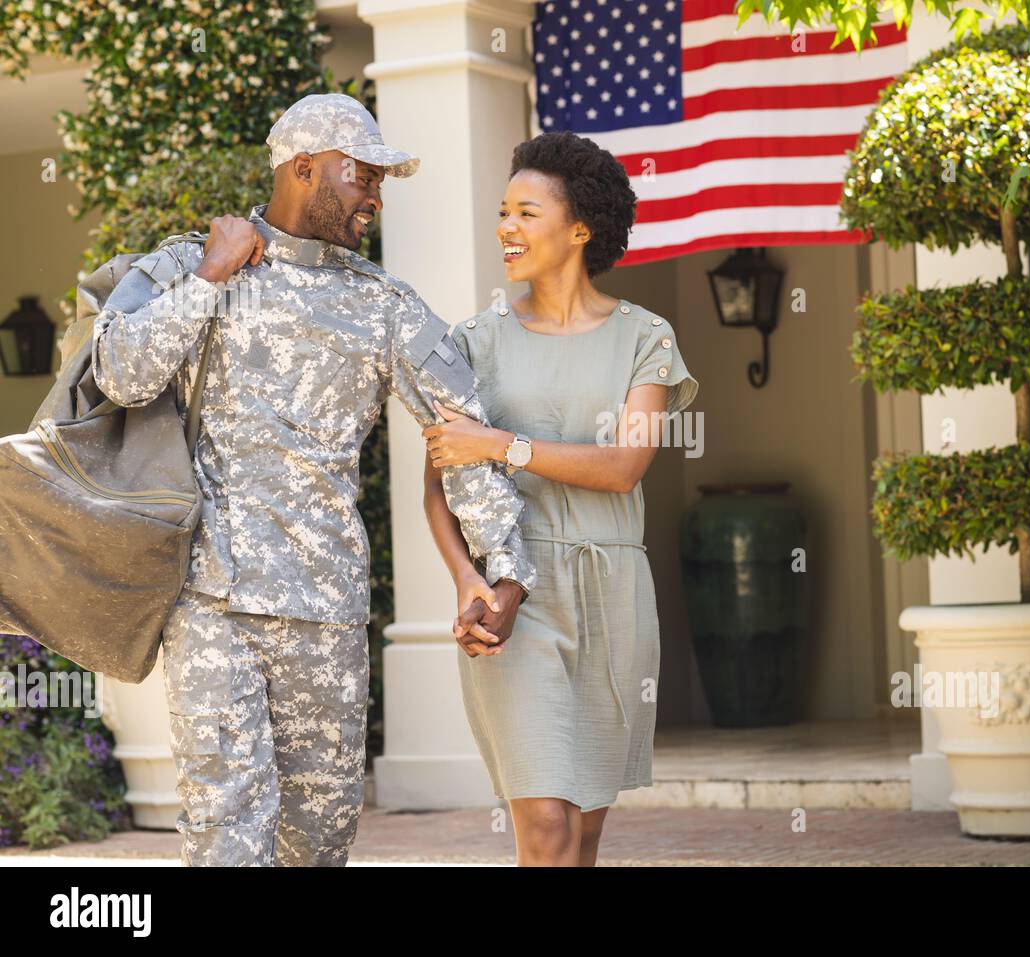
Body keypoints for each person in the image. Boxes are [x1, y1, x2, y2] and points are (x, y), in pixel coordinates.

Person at [91, 93, 536, 866]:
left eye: (379, 183)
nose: (373, 198)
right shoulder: (187, 264)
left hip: (326, 609)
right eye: (361, 176)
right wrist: (208, 277)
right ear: (304, 167)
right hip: (211, 600)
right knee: (225, 828)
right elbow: (121, 373)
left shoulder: (383, 304)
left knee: (319, 838)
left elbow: (462, 432)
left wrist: (502, 573)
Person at [421, 131, 699, 866]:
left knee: (581, 836)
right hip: (517, 595)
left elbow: (624, 466)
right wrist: (467, 581)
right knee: (544, 825)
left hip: (614, 597)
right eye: (503, 212)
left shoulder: (647, 337)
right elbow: (440, 484)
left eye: (526, 212)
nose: (507, 228)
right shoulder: (474, 340)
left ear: (581, 228)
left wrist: (503, 444)